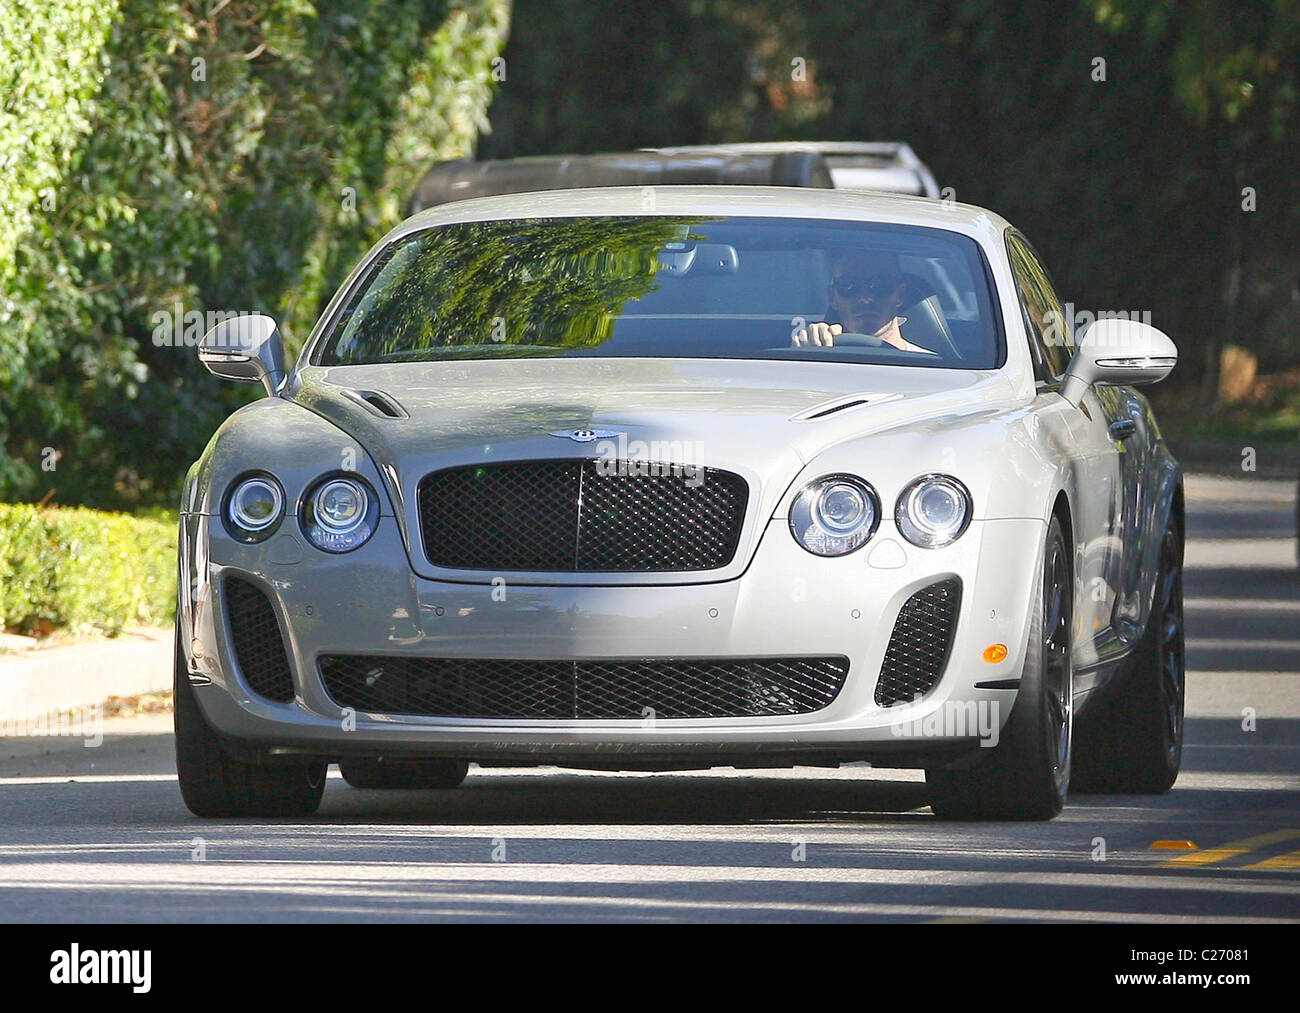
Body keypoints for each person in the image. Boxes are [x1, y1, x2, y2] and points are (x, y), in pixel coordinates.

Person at [792, 249, 935, 353]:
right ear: (832, 298)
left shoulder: (934, 370)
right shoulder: (817, 358)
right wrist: (807, 353)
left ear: (900, 295)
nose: (865, 299)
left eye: (880, 285)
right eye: (848, 286)